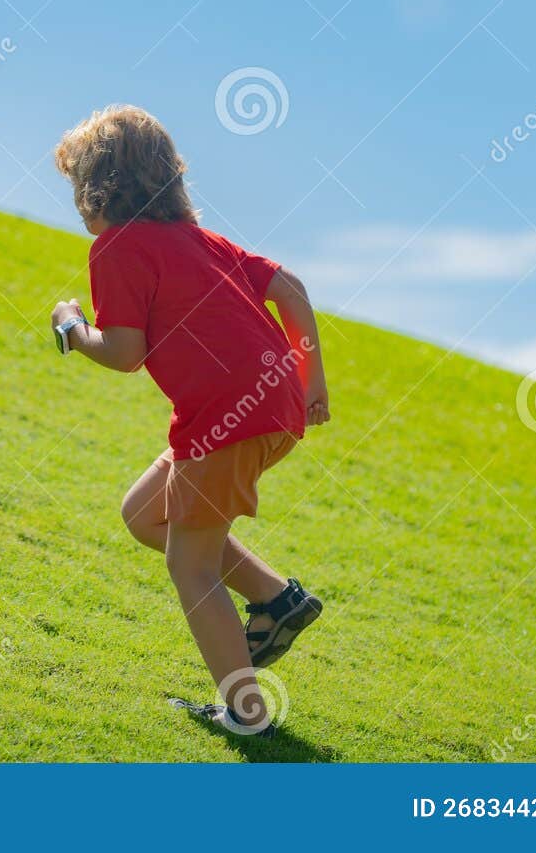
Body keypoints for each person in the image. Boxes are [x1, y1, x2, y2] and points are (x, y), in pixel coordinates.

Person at [50, 105, 330, 736]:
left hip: (225, 420)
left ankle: (246, 714)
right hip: (270, 407)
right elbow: (293, 289)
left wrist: (71, 327)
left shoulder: (117, 248)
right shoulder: (202, 241)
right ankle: (276, 600)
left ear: (100, 190)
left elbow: (124, 353)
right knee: (144, 513)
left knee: (190, 564)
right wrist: (313, 383)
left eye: (77, 189)